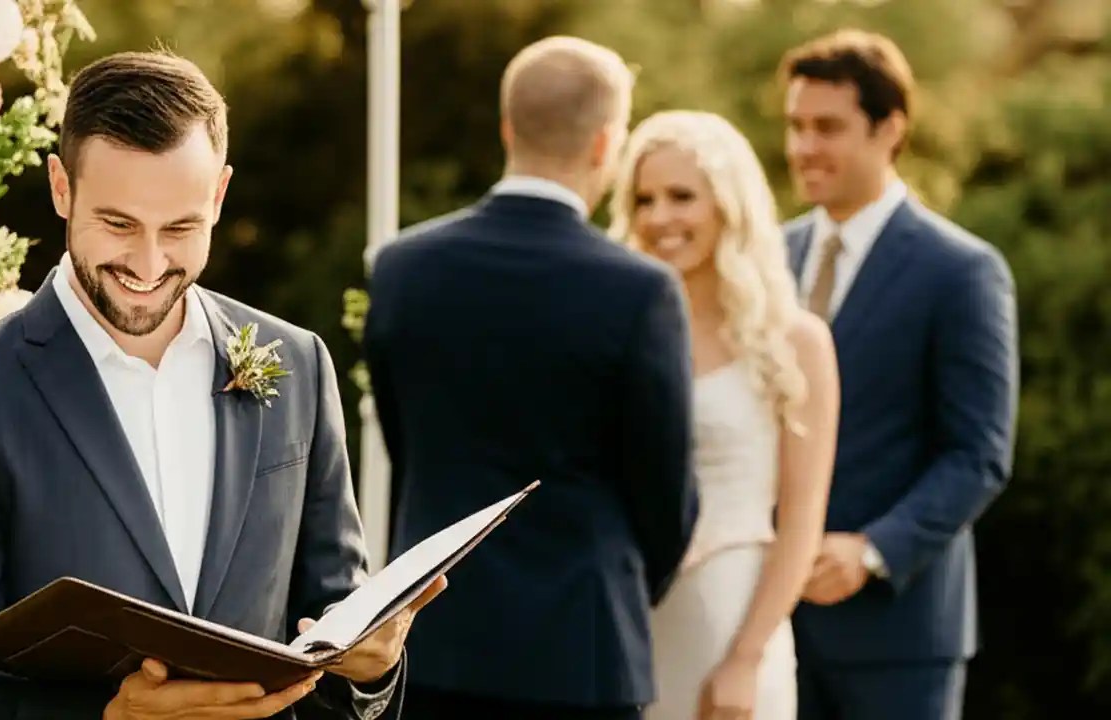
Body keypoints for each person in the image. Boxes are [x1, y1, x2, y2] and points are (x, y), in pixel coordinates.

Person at [0, 50, 442, 720]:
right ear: (62, 188)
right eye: (118, 224)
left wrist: (372, 673)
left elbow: (325, 625)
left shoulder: (298, 364)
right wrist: (111, 719)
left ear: (219, 195)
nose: (149, 265)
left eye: (180, 228)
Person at [362, 36, 696, 720]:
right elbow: (666, 493)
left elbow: (407, 447)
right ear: (606, 144)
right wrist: (626, 584)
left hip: (436, 638)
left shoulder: (401, 267)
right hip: (584, 647)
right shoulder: (640, 290)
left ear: (508, 127)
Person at [778, 29, 1020, 720]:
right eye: (796, 126)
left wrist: (874, 551)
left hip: (898, 635)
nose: (803, 147)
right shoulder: (767, 255)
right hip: (770, 626)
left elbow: (978, 453)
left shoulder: (962, 271)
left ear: (890, 129)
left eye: (827, 127)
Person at [610, 110, 838, 720]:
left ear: (730, 206)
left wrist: (746, 656)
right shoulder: (621, 333)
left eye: (682, 196)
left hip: (733, 621)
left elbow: (801, 520)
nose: (659, 218)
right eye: (644, 199)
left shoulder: (796, 342)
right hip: (627, 625)